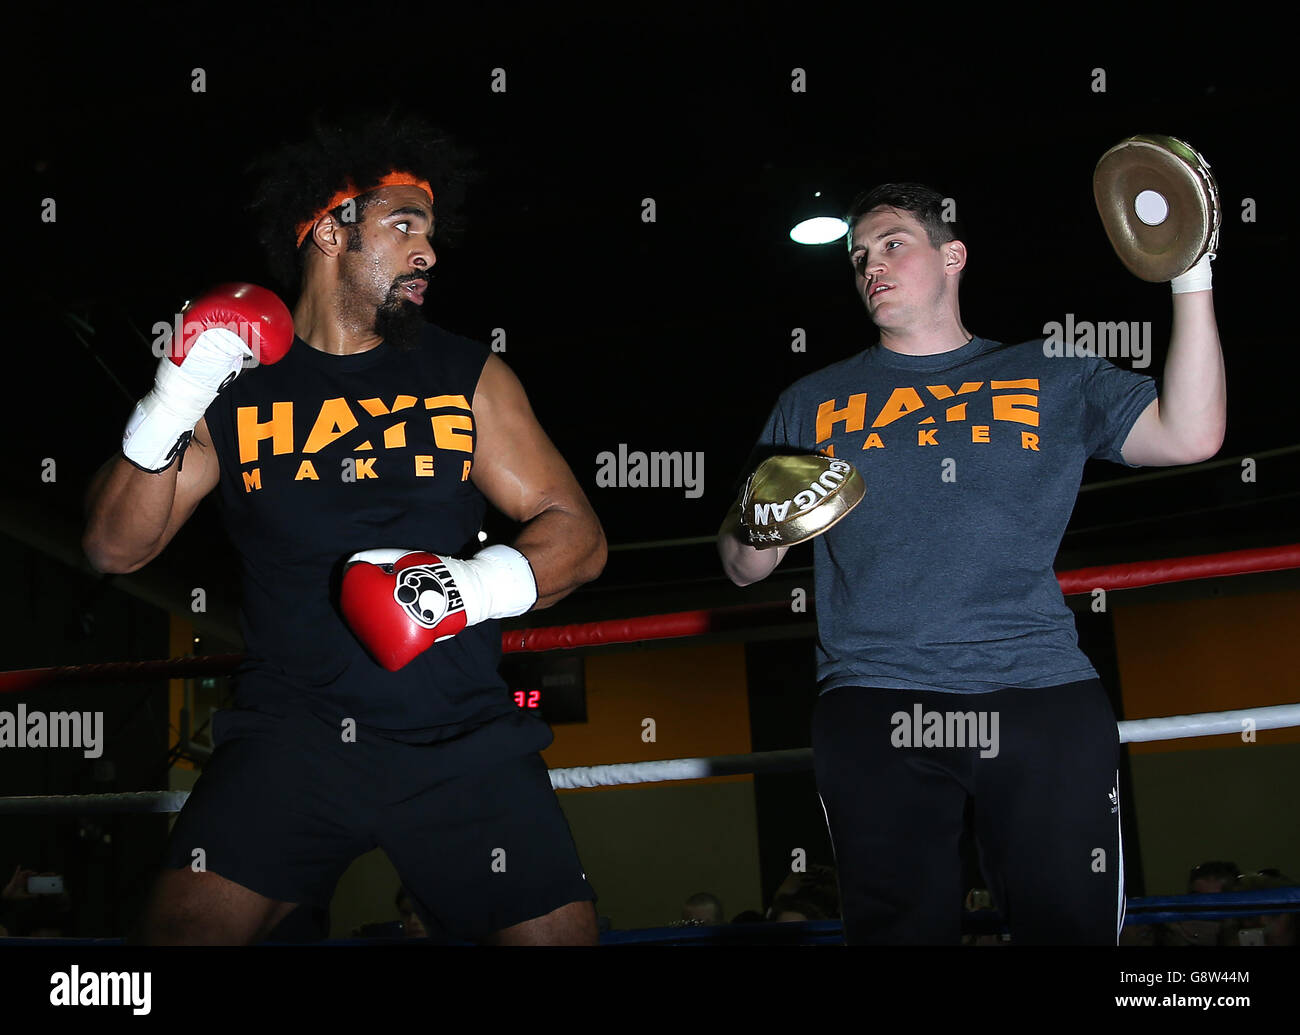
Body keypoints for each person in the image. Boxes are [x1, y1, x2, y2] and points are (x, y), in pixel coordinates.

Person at [82, 113, 607, 946]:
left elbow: (576, 532)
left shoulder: (464, 372)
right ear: (330, 230)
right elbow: (115, 546)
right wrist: (174, 396)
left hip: (461, 733)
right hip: (293, 736)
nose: (428, 251)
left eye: (431, 232)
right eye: (405, 224)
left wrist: (465, 588)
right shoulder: (233, 385)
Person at [719, 181, 1226, 945]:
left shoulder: (1052, 370)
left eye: (893, 244)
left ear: (953, 256)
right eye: (859, 257)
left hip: (1038, 694)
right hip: (874, 697)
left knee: (1070, 930)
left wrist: (1191, 276)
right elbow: (741, 567)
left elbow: (1190, 435)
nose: (871, 266)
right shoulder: (812, 399)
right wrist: (760, 523)